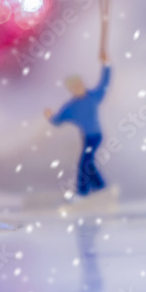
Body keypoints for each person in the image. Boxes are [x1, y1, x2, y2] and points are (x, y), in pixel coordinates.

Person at [44, 51, 111, 197]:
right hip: (86, 137)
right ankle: (101, 188)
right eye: (74, 87)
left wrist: (106, 65)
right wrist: (50, 117)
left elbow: (104, 82)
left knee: (84, 164)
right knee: (89, 163)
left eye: (79, 85)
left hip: (96, 136)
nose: (78, 88)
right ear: (71, 90)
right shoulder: (72, 107)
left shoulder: (93, 97)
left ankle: (82, 193)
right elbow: (58, 120)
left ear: (83, 84)